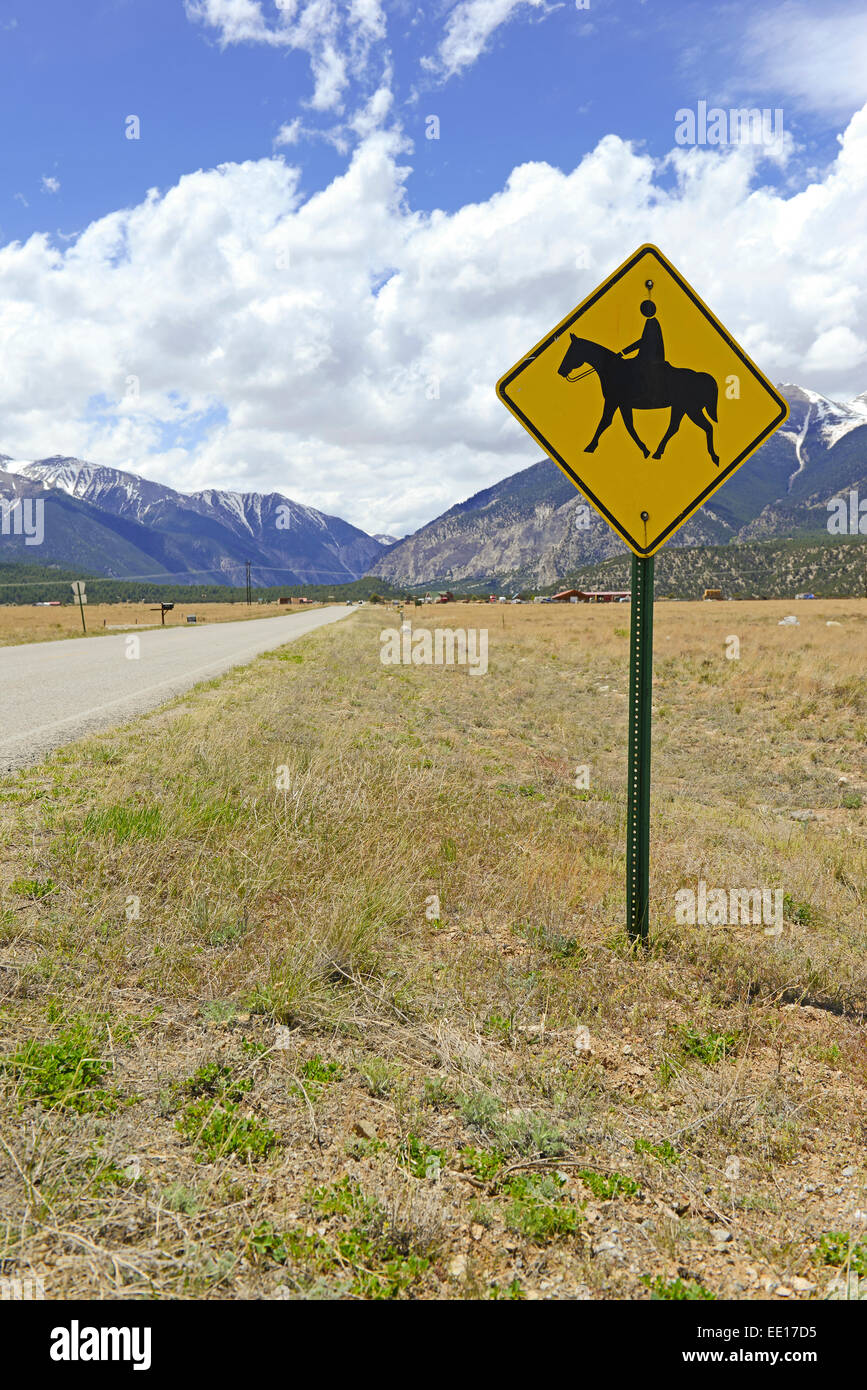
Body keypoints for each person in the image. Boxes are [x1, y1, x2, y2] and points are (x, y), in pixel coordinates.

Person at [620, 300, 665, 404]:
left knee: (631, 366)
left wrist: (623, 352)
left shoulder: (653, 322)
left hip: (652, 357)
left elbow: (644, 341)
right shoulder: (649, 321)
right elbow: (643, 341)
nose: (644, 312)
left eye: (645, 309)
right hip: (647, 355)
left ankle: (644, 392)